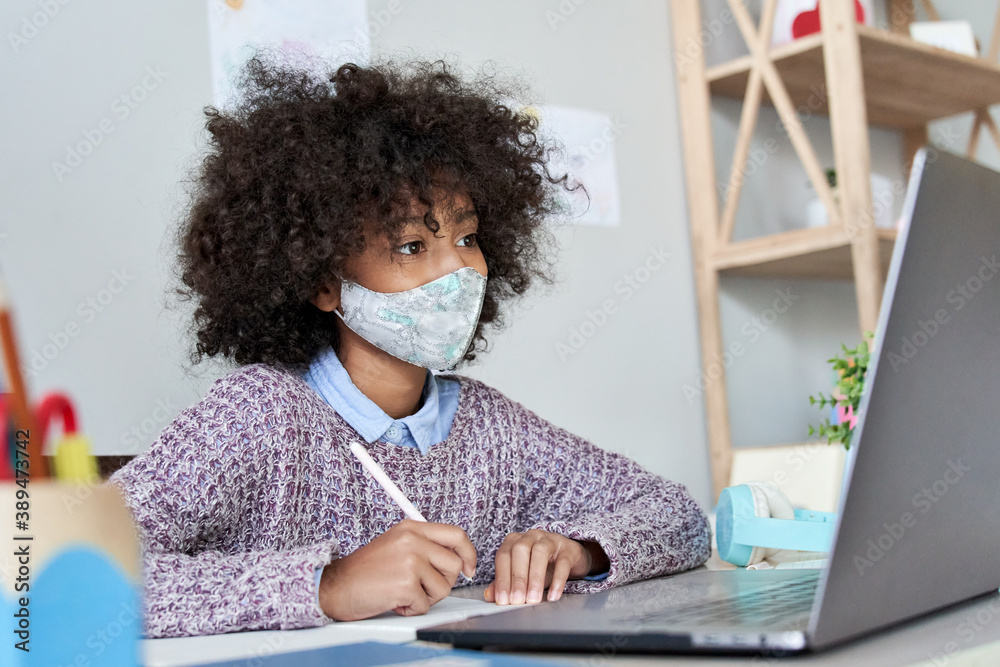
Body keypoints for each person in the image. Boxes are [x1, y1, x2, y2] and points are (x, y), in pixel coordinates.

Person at [107, 51, 711, 639]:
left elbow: (679, 517)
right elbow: (53, 575)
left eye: (468, 237)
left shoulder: (493, 429)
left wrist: (579, 551)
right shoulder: (258, 417)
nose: (460, 271)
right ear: (323, 282)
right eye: (411, 246)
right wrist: (327, 586)